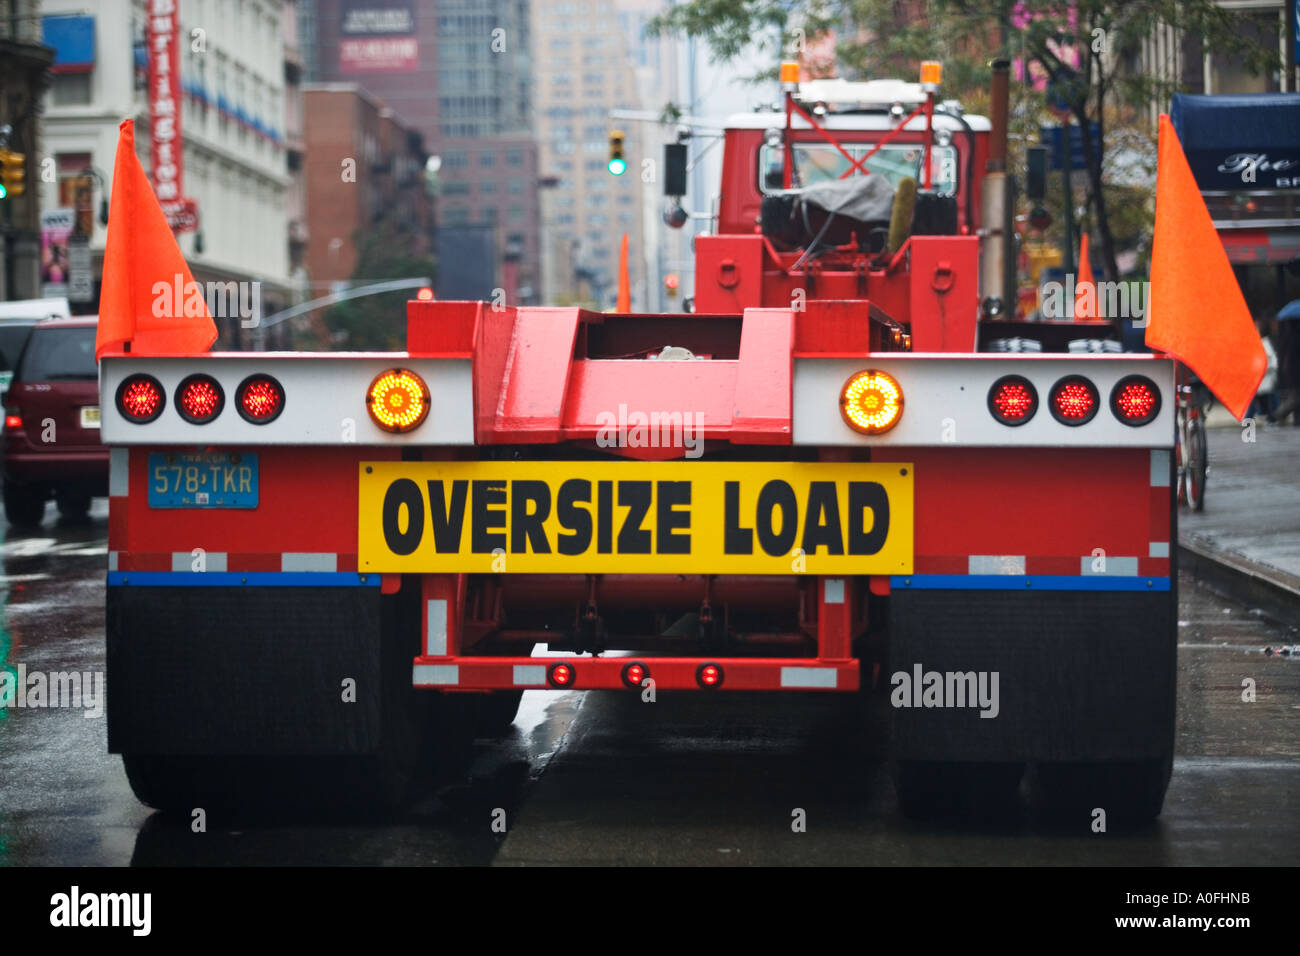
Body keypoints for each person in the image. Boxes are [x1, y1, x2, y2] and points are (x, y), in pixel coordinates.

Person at [1269, 313, 1300, 425]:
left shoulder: (1287, 335)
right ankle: (1278, 414)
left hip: (1290, 371)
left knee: (1296, 395)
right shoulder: (1295, 336)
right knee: (1296, 397)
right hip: (1296, 371)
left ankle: (1297, 419)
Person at [1247, 315, 1278, 421]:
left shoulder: (1264, 343)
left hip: (1264, 377)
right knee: (1266, 399)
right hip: (1261, 378)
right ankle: (1270, 416)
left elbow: (1268, 359)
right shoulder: (1260, 343)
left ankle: (1251, 417)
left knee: (1264, 399)